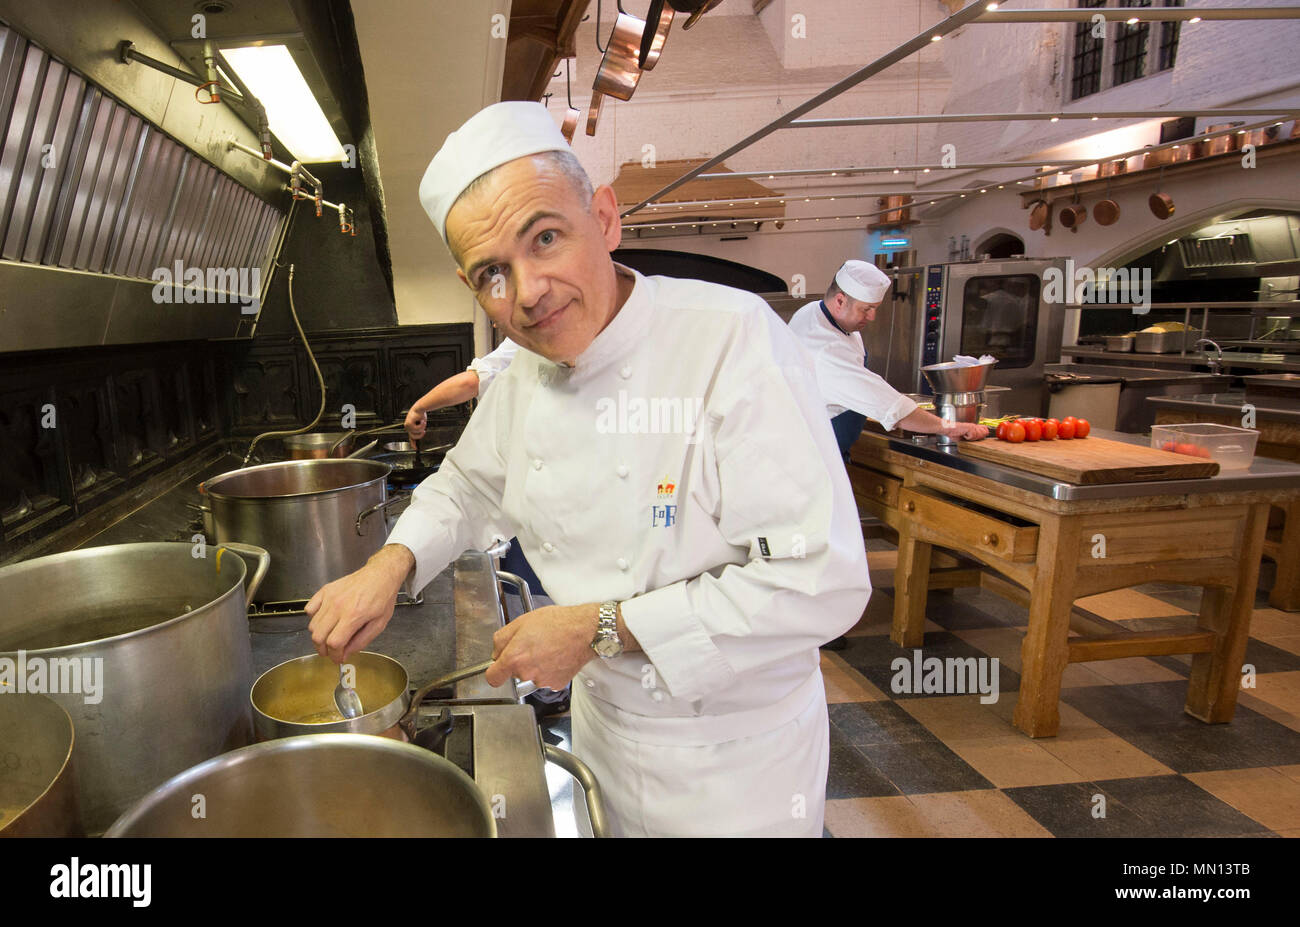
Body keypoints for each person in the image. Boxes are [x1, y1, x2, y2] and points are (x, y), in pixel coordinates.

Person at [304, 101, 870, 836]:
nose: (528, 290)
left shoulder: (734, 341)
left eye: (545, 237)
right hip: (604, 731)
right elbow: (469, 482)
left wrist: (600, 627)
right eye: (492, 273)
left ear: (604, 218)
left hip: (733, 762)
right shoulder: (525, 375)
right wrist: (391, 561)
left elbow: (820, 581)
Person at [402, 337, 566, 717]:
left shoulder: (525, 339)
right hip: (533, 501)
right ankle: (547, 690)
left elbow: (470, 382)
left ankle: (549, 692)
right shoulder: (526, 348)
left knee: (544, 600)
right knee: (537, 598)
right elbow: (465, 484)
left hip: (548, 507)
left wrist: (420, 406)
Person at [788, 260, 990, 459]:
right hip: (814, 457)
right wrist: (950, 427)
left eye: (875, 308)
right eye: (866, 309)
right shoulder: (827, 351)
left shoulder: (814, 312)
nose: (872, 316)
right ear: (840, 301)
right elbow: (894, 410)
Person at [403, 339, 519, 442]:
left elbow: (471, 382)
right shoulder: (521, 341)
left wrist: (418, 409)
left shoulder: (519, 342)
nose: (495, 325)